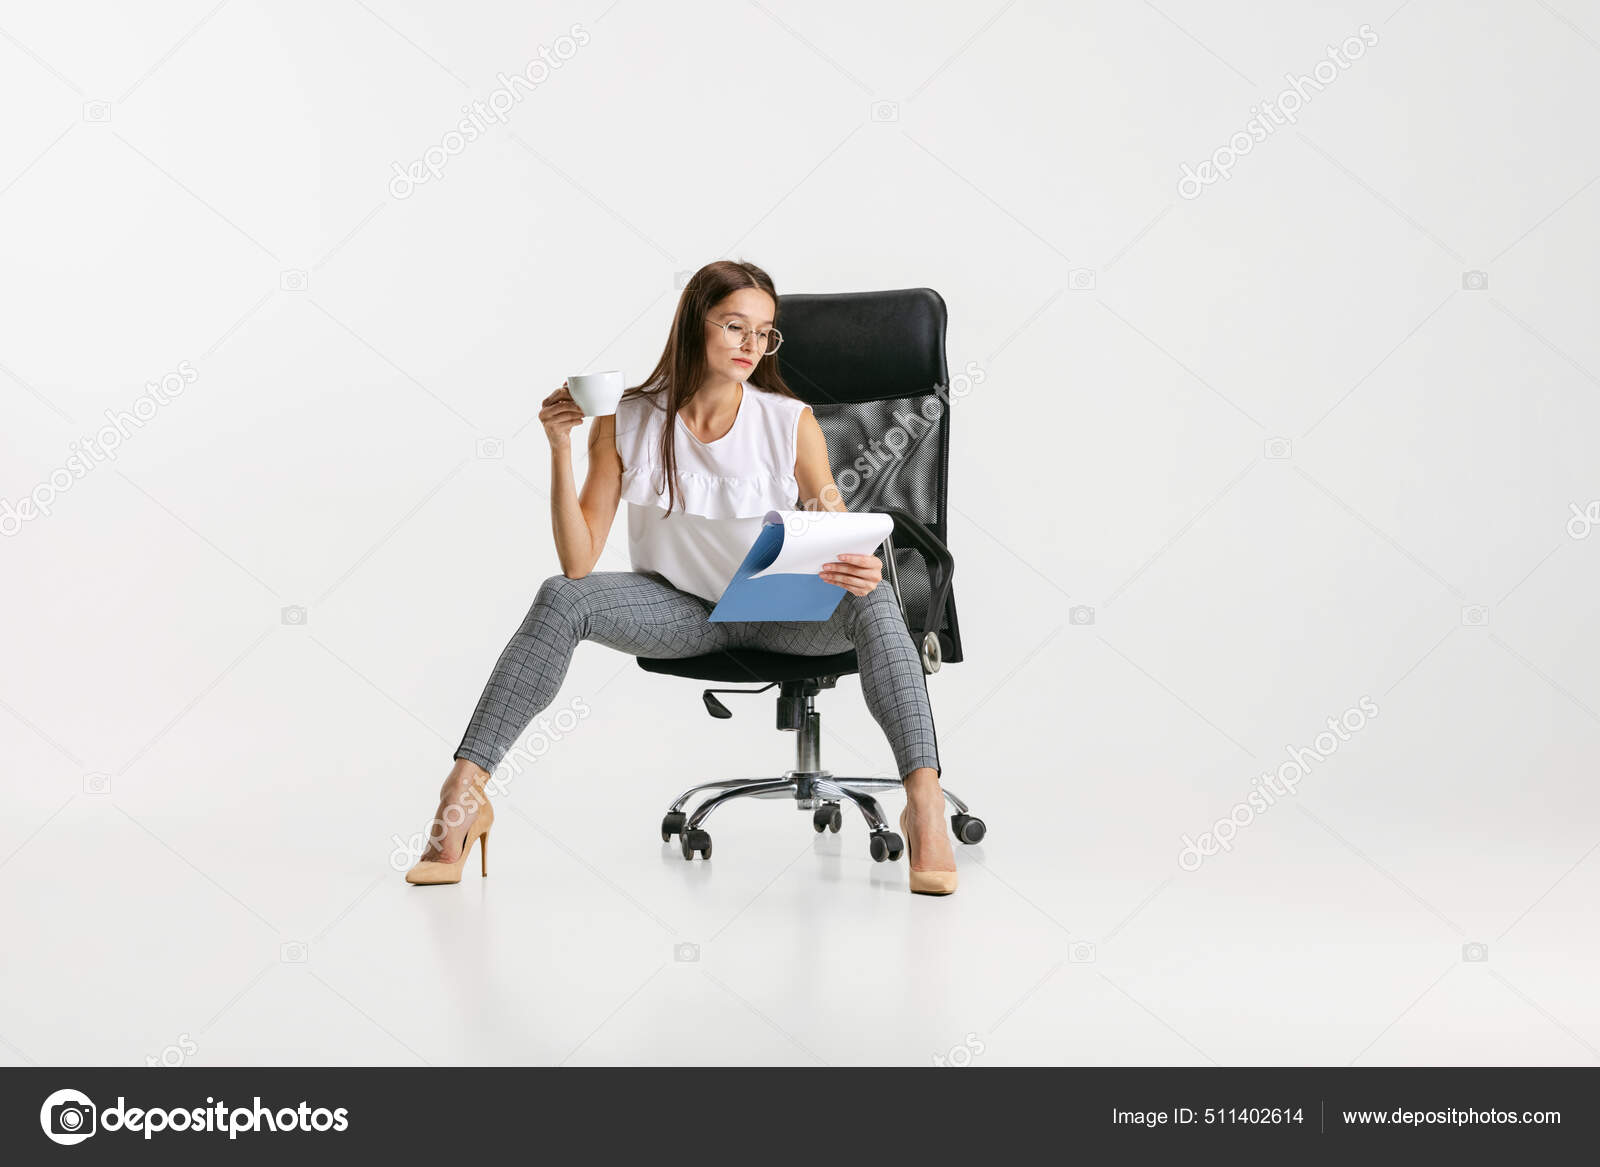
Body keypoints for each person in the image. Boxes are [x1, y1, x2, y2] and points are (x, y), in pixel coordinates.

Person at [404, 260, 958, 894]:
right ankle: (464, 791)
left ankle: (924, 801)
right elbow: (580, 563)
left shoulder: (789, 421)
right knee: (560, 598)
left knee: (878, 594)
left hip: (783, 616)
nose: (752, 345)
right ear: (696, 325)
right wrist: (560, 449)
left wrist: (856, 564)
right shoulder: (628, 417)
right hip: (683, 613)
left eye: (765, 333)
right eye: (735, 326)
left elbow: (831, 526)